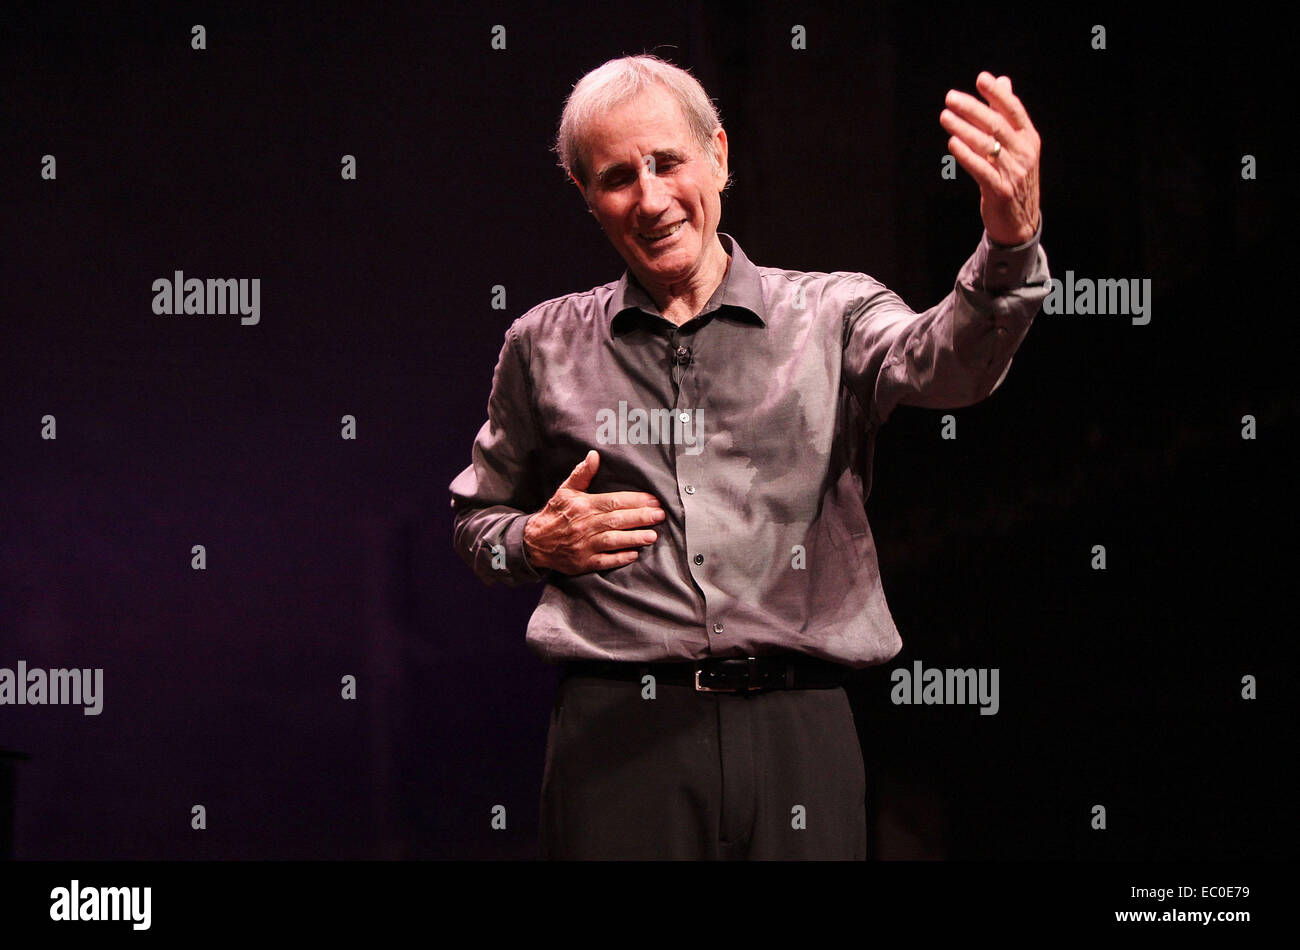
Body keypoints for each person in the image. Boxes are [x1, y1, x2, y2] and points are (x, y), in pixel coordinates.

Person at [450, 54, 1047, 860]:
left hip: (800, 731)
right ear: (586, 198)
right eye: (618, 176)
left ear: (720, 158)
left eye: (667, 162)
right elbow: (477, 520)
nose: (652, 198)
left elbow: (951, 364)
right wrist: (532, 542)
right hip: (620, 740)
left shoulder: (832, 313)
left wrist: (1009, 244)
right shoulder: (541, 345)